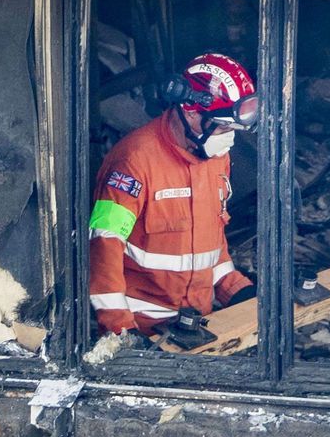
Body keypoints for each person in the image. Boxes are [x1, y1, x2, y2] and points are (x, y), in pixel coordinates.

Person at [89, 53, 258, 335]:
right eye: (223, 126)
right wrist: (121, 329)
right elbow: (105, 243)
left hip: (197, 324)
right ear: (191, 112)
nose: (229, 137)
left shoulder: (216, 157)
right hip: (144, 325)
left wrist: (234, 287)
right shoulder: (133, 162)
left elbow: (210, 241)